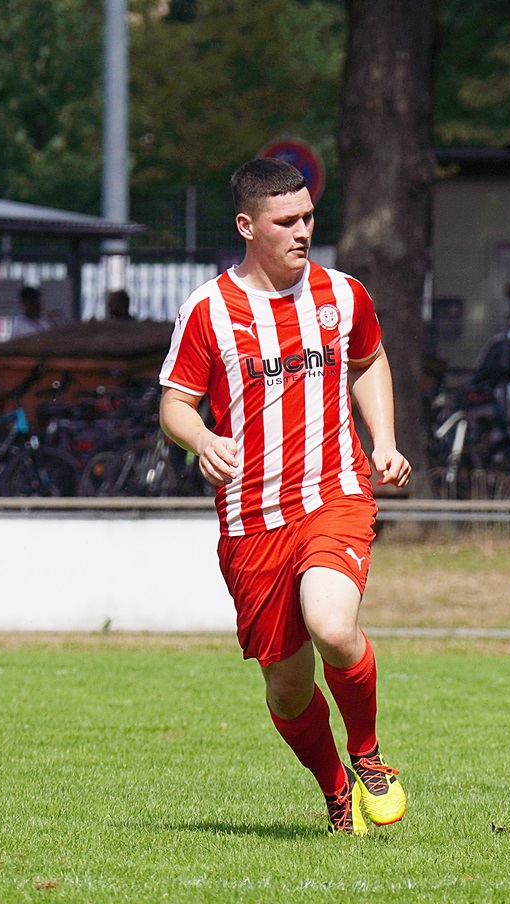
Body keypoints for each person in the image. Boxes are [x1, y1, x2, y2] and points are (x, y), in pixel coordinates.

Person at [158, 157, 412, 835]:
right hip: (251, 519)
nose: (303, 232)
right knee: (288, 686)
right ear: (248, 226)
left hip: (334, 493)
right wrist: (201, 439)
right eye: (286, 221)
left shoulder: (343, 294)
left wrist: (382, 438)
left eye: (308, 219)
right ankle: (335, 790)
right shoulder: (209, 310)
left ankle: (369, 756)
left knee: (332, 626)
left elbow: (369, 361)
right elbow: (175, 404)